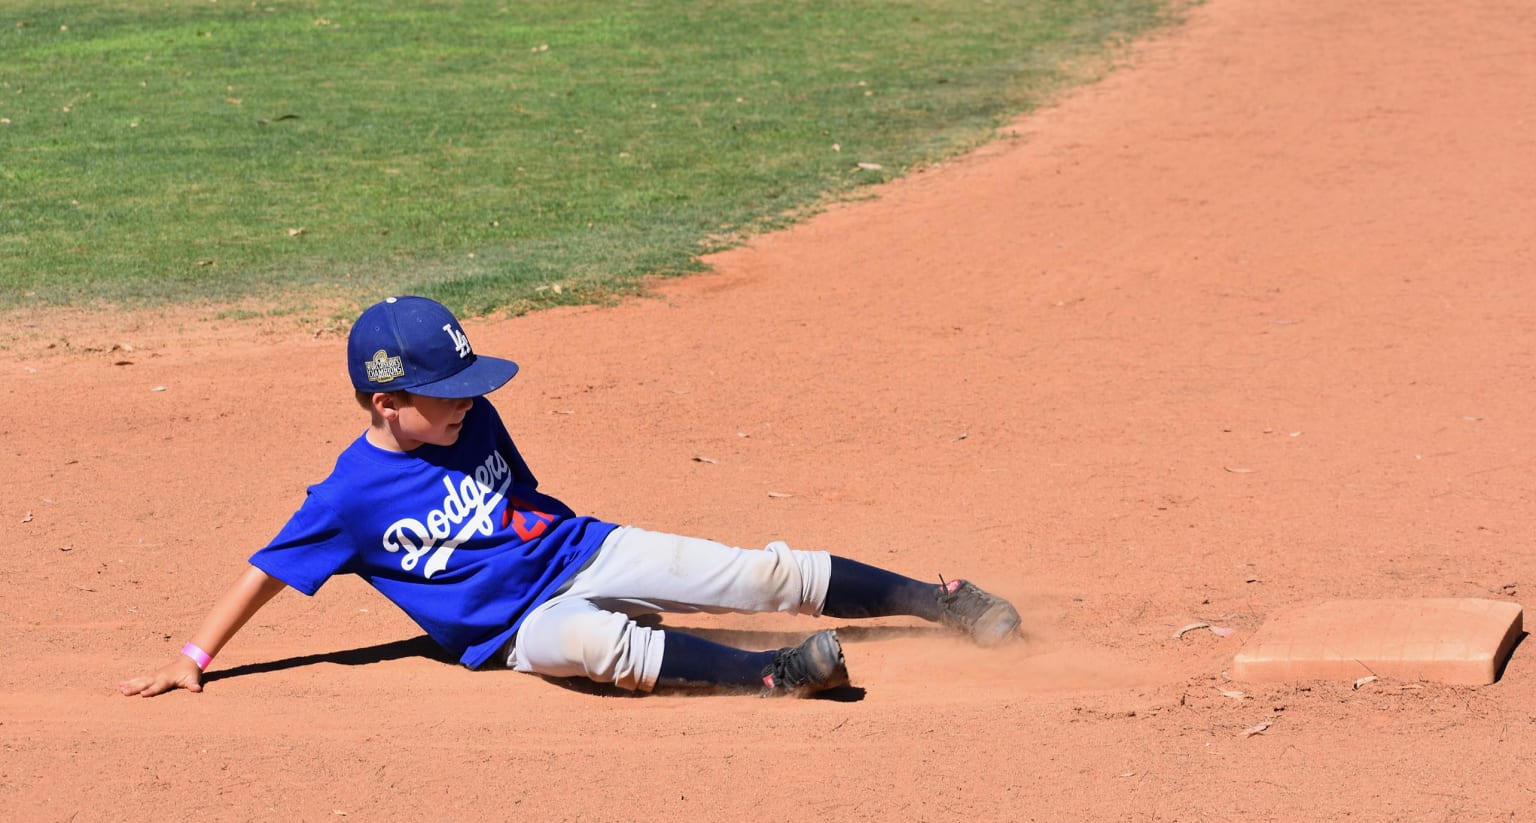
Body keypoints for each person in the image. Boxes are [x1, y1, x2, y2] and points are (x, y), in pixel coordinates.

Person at [119, 296, 1021, 699]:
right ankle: (777, 677)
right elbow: (265, 571)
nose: (469, 399)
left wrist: (584, 554)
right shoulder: (345, 499)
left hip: (586, 548)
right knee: (597, 645)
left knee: (758, 576)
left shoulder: (472, 420)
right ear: (387, 402)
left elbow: (525, 502)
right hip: (518, 633)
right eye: (448, 389)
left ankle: (935, 601)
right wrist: (194, 656)